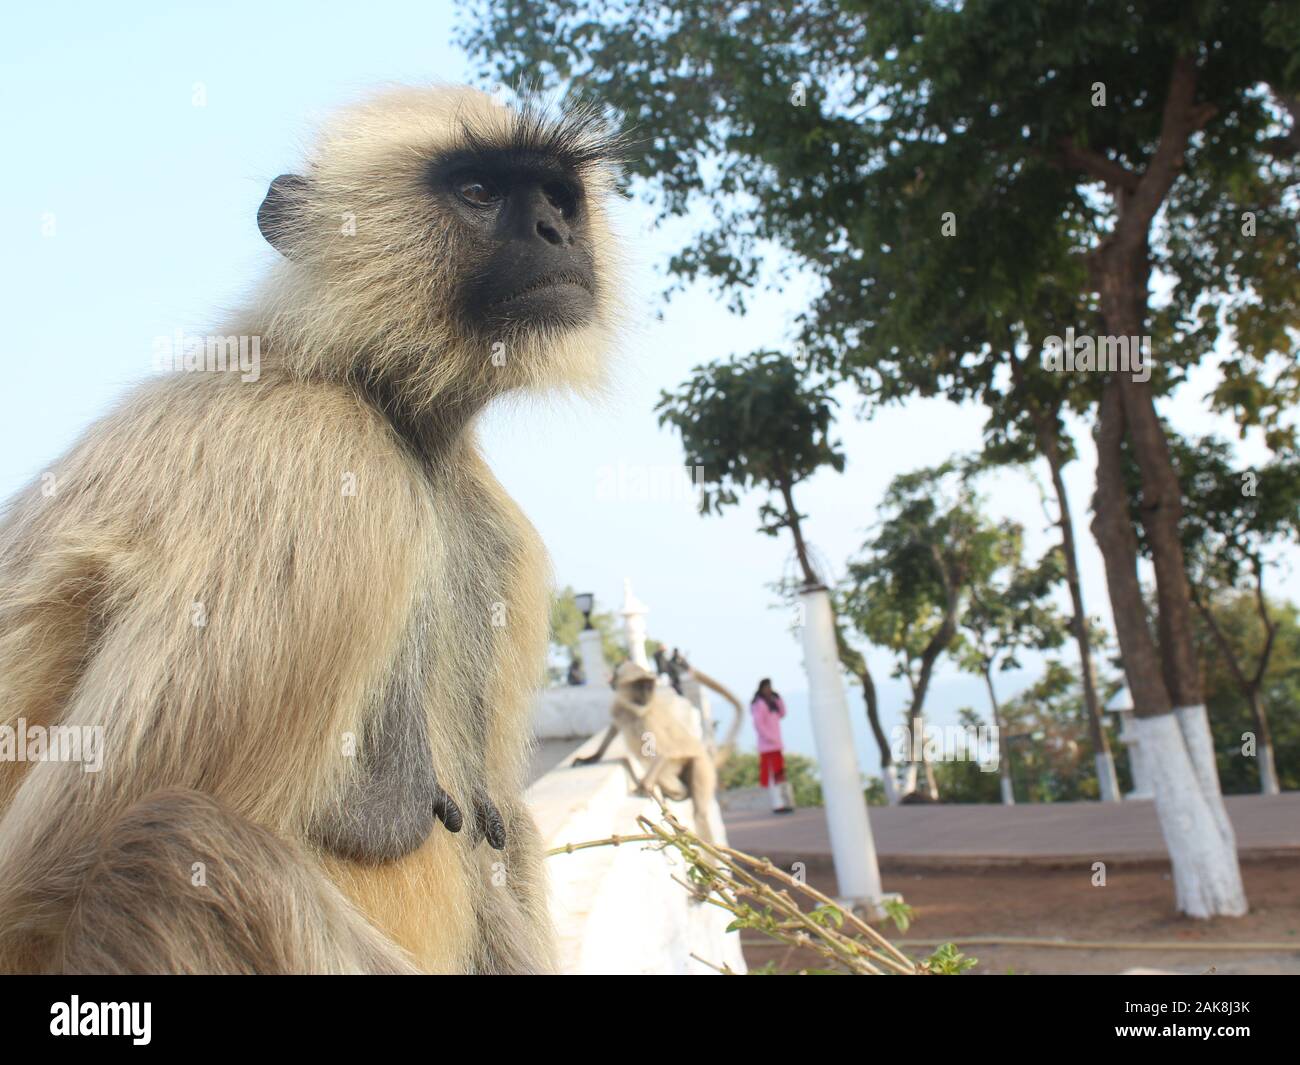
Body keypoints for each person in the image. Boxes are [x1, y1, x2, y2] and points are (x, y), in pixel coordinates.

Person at [750, 678, 794, 814]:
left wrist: (778, 698)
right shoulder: (759, 704)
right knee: (771, 777)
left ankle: (784, 802)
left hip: (776, 746)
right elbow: (759, 724)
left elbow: (783, 713)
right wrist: (770, 738)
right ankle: (777, 804)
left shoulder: (772, 702)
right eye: (766, 688)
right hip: (767, 746)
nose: (769, 690)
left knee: (780, 775)